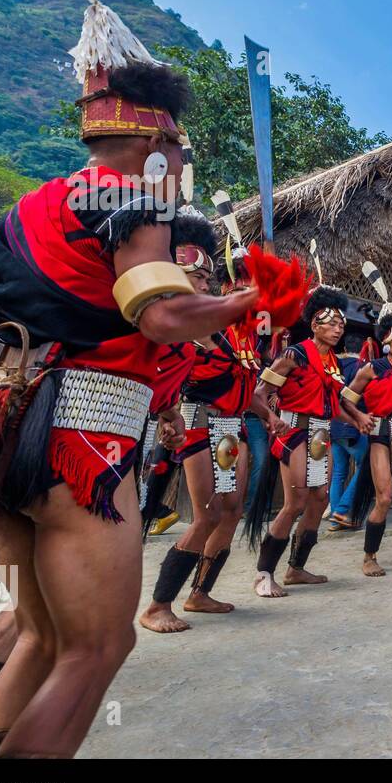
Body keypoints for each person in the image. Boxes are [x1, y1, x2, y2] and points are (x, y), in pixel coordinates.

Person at [0, 0, 256, 756]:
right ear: (148, 138)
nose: (177, 157)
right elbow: (161, 313)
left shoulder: (22, 211)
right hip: (79, 442)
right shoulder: (138, 202)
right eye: (175, 143)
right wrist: (247, 302)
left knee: (37, 632)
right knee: (97, 647)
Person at [140, 224, 284, 631]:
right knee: (205, 514)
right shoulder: (172, 323)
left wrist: (266, 414)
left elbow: (241, 382)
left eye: (208, 277)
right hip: (195, 421)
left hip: (229, 426)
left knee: (231, 510)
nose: (207, 283)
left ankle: (200, 593)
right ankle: (157, 605)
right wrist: (166, 416)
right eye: (198, 277)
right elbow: (158, 378)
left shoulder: (228, 333)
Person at [245, 285, 350, 596]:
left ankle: (296, 568)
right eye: (331, 323)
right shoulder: (295, 354)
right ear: (315, 323)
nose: (337, 329)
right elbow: (258, 394)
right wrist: (270, 417)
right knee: (295, 503)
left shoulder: (334, 362)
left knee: (321, 499)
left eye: (341, 325)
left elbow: (334, 404)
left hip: (321, 432)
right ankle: (264, 574)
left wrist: (358, 418)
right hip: (294, 430)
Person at [341, 263, 392, 576]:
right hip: (380, 435)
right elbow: (346, 399)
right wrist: (360, 417)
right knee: (385, 497)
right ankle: (369, 557)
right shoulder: (371, 368)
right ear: (387, 338)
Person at [329, 333, 366, 529]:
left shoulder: (334, 367)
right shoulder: (362, 368)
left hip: (334, 426)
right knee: (364, 467)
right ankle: (341, 511)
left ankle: (336, 518)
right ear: (362, 351)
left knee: (339, 472)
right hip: (353, 426)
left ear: (344, 349)